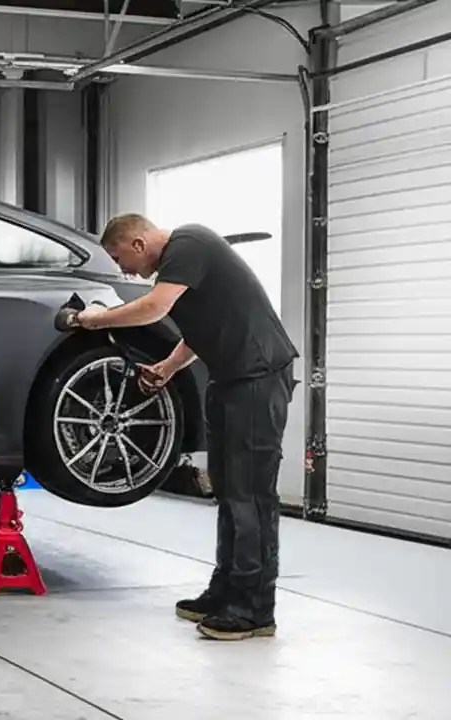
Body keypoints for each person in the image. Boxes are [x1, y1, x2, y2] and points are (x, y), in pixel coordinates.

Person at [73, 213, 298, 642]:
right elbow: (201, 330)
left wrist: (95, 319)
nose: (124, 270)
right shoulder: (186, 264)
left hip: (257, 377)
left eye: (121, 259)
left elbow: (153, 308)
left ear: (139, 243)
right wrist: (167, 368)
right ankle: (226, 590)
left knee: (251, 496)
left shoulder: (189, 244)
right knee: (230, 492)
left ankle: (253, 610)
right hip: (230, 378)